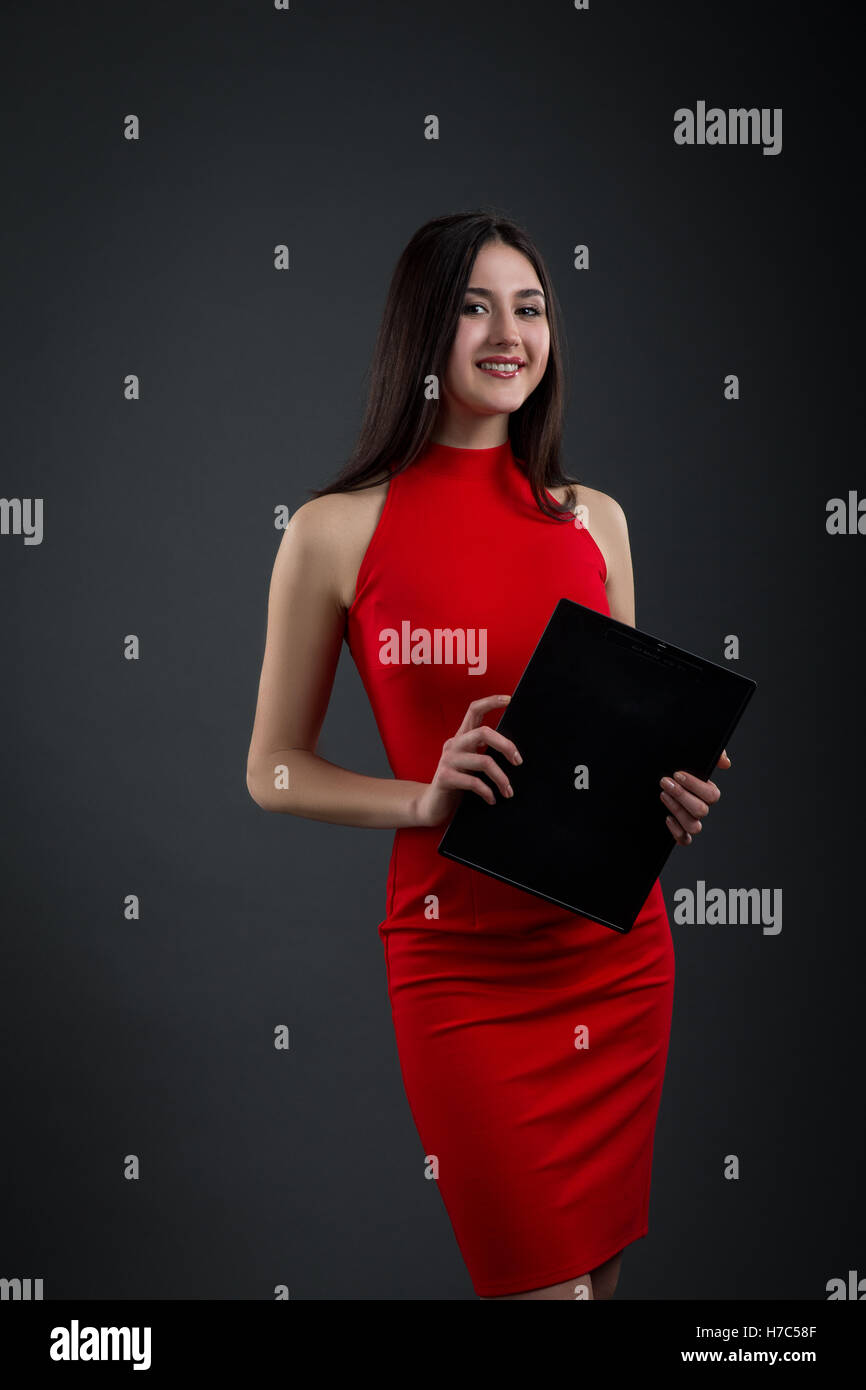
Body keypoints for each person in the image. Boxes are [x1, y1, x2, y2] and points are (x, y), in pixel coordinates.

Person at [246, 210, 730, 1300]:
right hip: (458, 965)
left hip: (614, 955)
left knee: (593, 1289)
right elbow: (270, 768)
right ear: (421, 330)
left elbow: (613, 752)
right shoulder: (333, 529)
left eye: (528, 305)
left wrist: (669, 793)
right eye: (473, 305)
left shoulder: (592, 521)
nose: (507, 331)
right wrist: (421, 799)